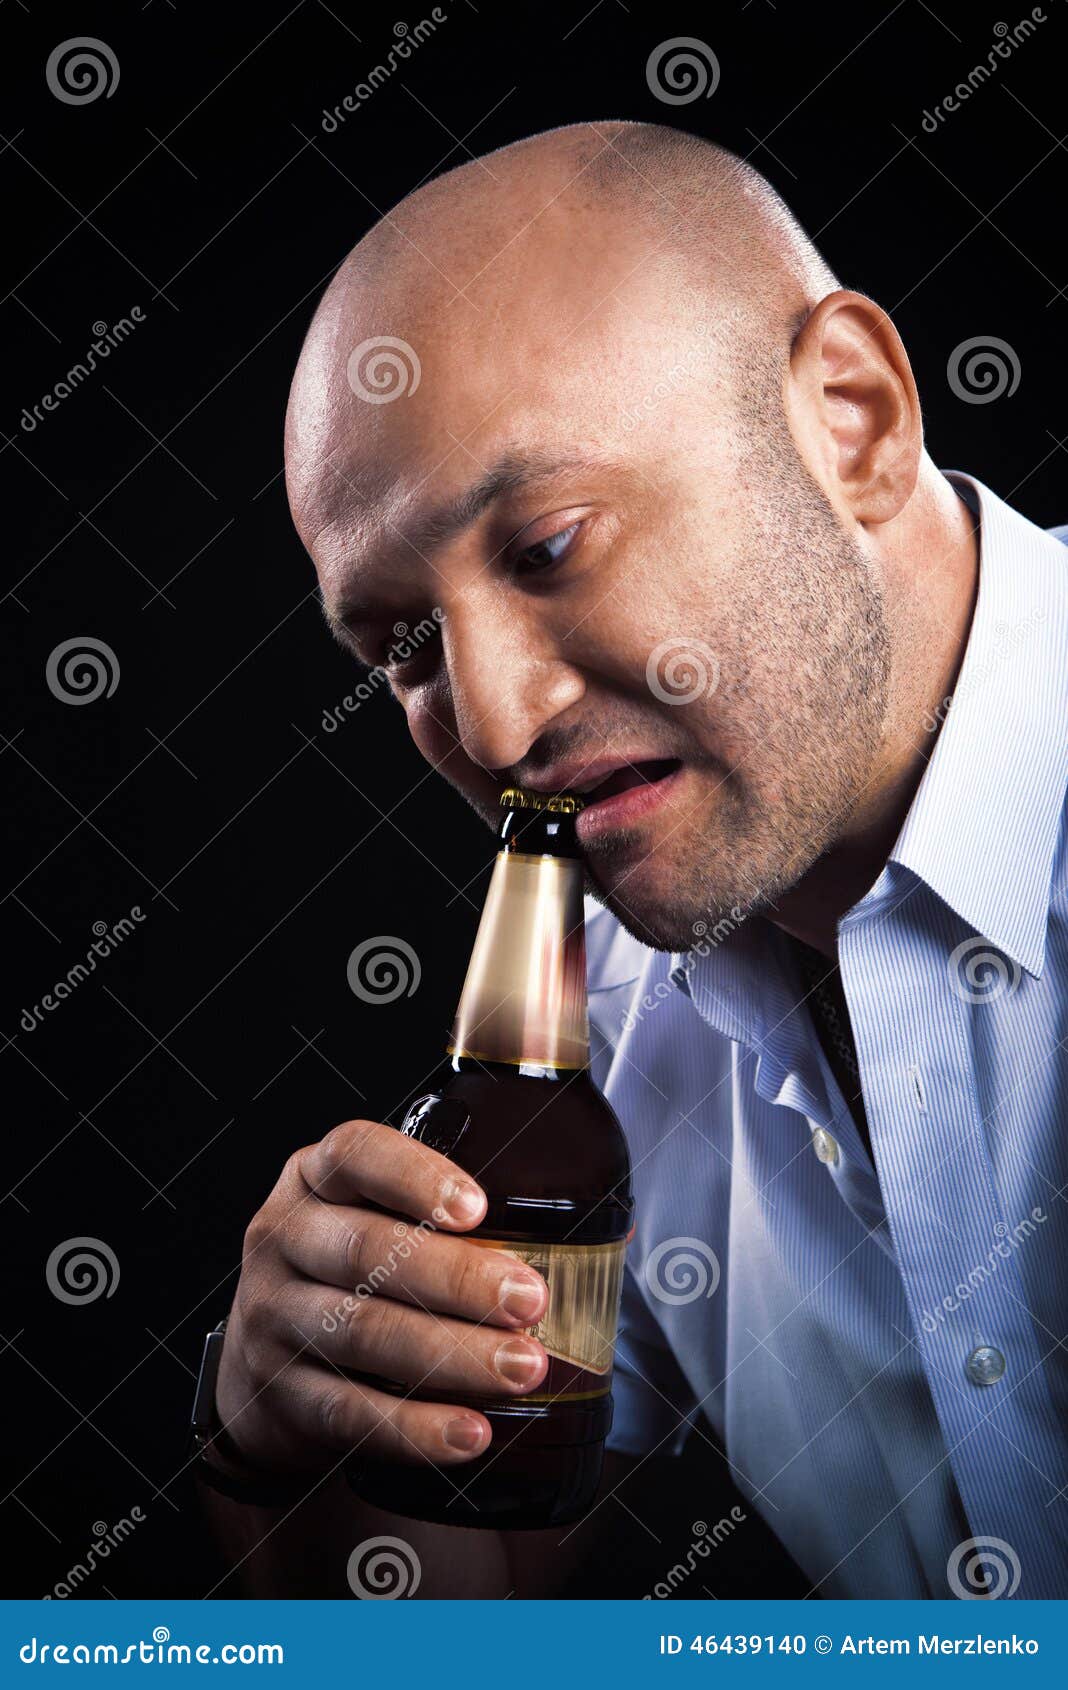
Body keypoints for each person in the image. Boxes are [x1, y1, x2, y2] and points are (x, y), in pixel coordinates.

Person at [199, 121, 1068, 1599]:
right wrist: (282, 1441)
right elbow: (461, 1618)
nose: (491, 719)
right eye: (401, 645)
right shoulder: (601, 1020)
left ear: (850, 418)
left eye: (547, 547)